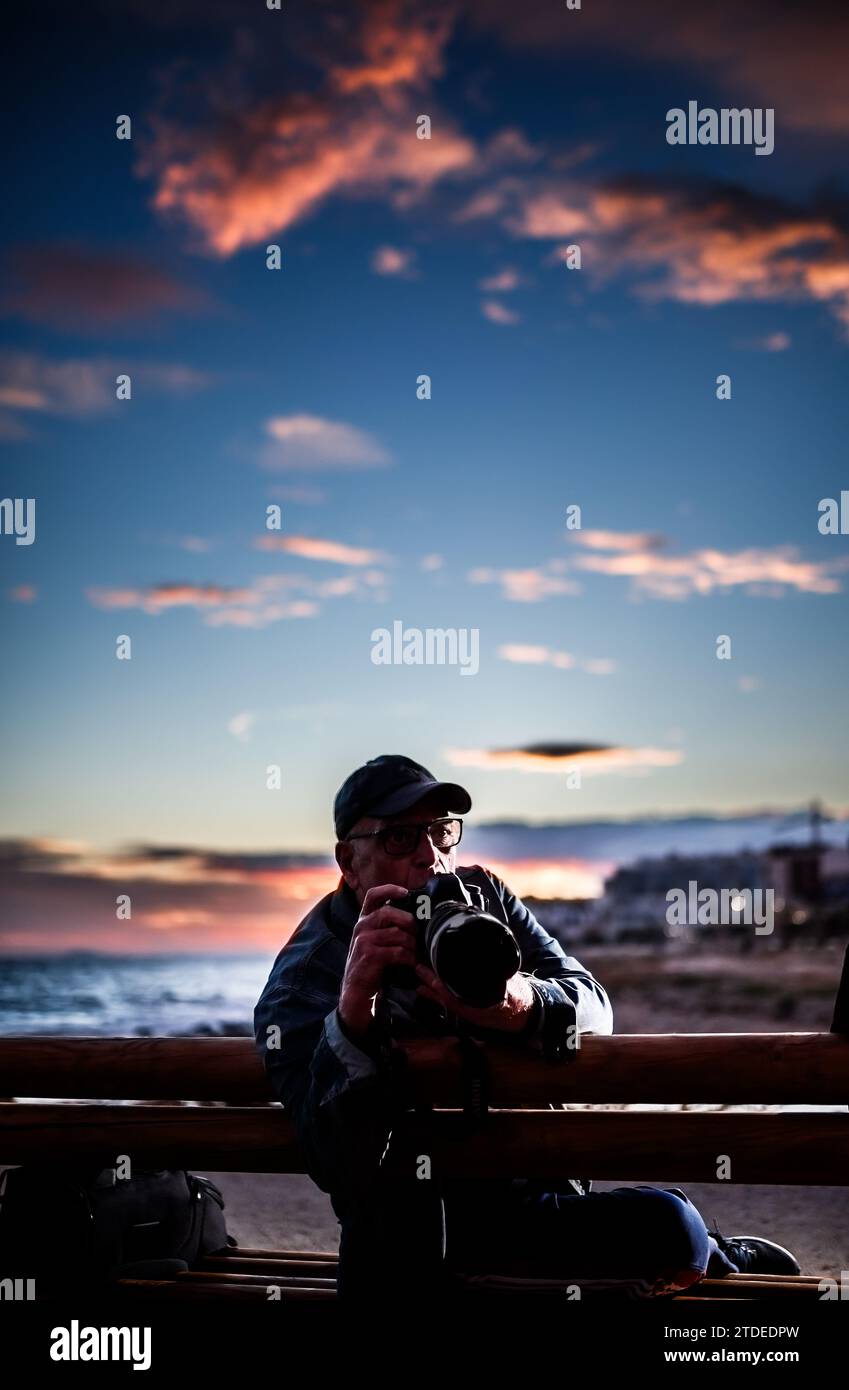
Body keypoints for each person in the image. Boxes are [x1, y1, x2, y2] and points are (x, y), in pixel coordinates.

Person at [253, 754, 800, 1305]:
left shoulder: (482, 899)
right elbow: (332, 1161)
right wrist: (355, 1006)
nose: (431, 856)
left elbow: (595, 1007)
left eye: (442, 831)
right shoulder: (305, 980)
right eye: (399, 839)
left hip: (536, 1202)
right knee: (671, 1224)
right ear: (349, 861)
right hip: (410, 1246)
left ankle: (710, 1248)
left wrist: (517, 1003)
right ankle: (716, 1251)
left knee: (670, 1223)